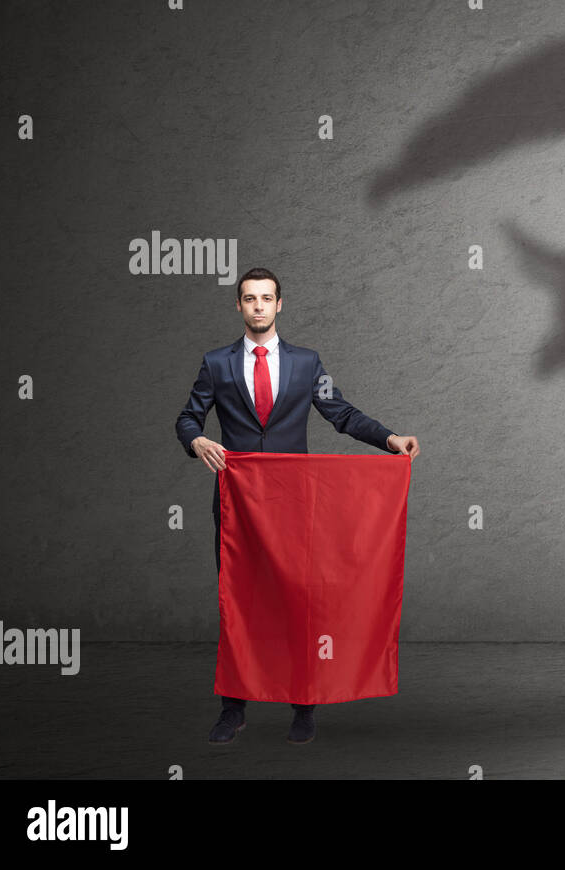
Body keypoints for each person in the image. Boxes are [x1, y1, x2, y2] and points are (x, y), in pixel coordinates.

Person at [175, 267, 420, 746]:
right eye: (250, 299)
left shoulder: (307, 364)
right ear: (239, 307)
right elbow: (187, 416)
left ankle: (304, 707)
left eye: (267, 298)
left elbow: (341, 413)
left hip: (294, 506)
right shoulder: (216, 363)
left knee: (300, 603)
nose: (259, 306)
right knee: (239, 603)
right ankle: (233, 708)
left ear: (280, 304)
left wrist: (390, 439)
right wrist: (197, 439)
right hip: (239, 506)